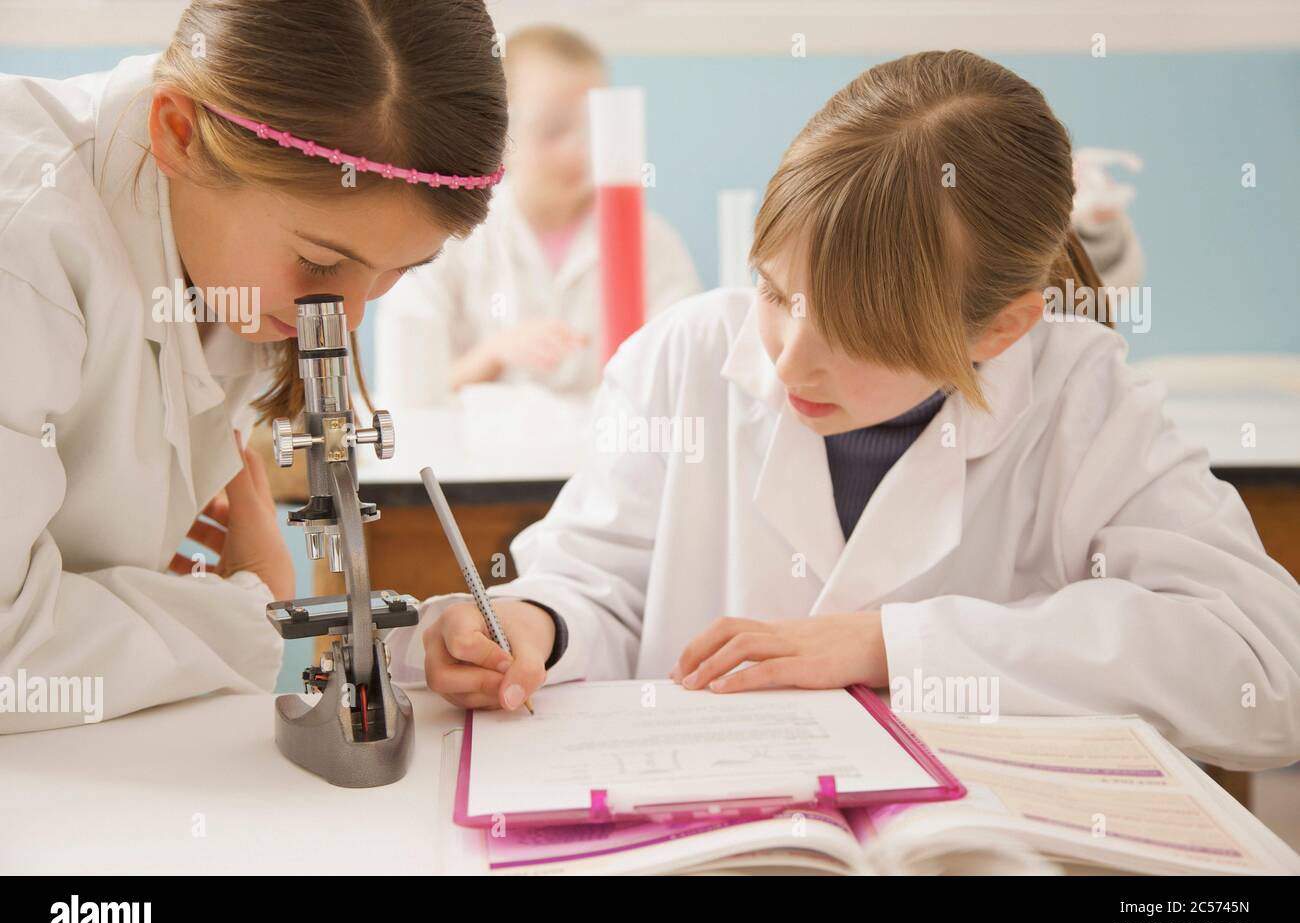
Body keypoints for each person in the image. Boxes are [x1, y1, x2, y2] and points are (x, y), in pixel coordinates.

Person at [395, 50, 1300, 771]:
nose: (786, 356)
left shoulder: (1081, 401)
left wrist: (892, 645)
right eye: (777, 292)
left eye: (860, 331)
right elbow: (600, 584)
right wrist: (532, 627)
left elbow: (1267, 672)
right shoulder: (686, 359)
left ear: (1001, 330)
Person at [0, 0, 508, 733]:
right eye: (321, 260)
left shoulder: (221, 250)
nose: (352, 314)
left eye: (402, 269)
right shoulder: (24, 245)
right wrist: (247, 609)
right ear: (178, 133)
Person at [372, 25, 700, 402]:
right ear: (499, 133)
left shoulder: (652, 243)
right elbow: (406, 393)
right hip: (479, 457)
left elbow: (684, 376)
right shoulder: (448, 240)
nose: (579, 149)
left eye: (593, 126)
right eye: (553, 130)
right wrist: (491, 355)